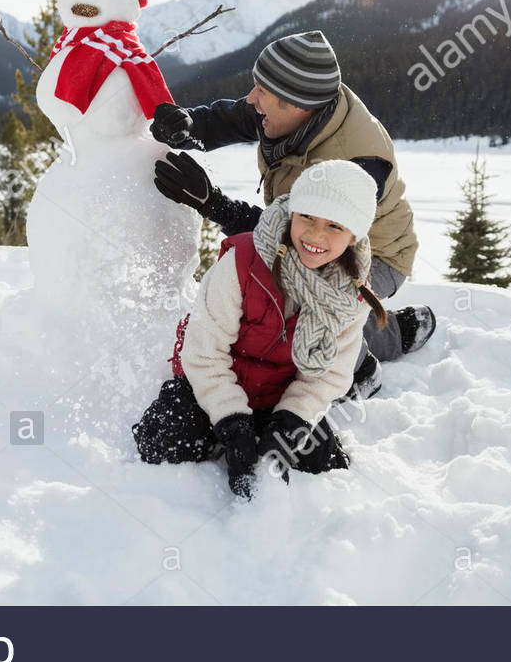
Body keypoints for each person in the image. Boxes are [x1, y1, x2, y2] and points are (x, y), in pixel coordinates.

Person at [150, 30, 434, 391]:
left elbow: (305, 242)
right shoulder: (296, 108)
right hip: (316, 234)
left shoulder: (356, 163)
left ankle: (358, 373)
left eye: (261, 92)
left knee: (293, 286)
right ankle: (394, 330)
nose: (252, 99)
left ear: (297, 104)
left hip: (372, 254)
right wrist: (187, 127)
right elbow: (231, 118)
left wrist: (215, 205)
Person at [133, 161, 387, 498]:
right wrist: (231, 420)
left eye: (334, 226)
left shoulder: (352, 295)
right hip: (211, 381)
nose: (315, 234)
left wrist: (291, 418)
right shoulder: (243, 262)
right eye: (307, 216)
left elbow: (329, 375)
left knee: (321, 464)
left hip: (279, 394)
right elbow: (204, 352)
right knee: (164, 440)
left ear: (354, 236)